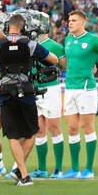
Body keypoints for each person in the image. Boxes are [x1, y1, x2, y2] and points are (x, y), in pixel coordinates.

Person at [0, 14, 61, 186]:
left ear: (8, 27)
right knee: (32, 131)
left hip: (5, 92)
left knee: (12, 134)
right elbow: (54, 60)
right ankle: (22, 173)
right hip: (26, 91)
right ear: (23, 28)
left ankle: (21, 172)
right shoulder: (30, 44)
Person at [60, 9, 98, 179]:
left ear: (83, 23)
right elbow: (69, 62)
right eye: (69, 20)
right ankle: (74, 169)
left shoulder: (93, 40)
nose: (69, 23)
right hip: (70, 87)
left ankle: (89, 169)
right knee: (72, 128)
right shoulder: (68, 39)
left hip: (86, 89)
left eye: (73, 20)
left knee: (87, 127)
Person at [31, 22, 66, 179]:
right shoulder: (30, 44)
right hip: (34, 89)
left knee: (54, 127)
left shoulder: (54, 46)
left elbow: (64, 65)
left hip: (50, 89)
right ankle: (42, 168)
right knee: (39, 129)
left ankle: (58, 168)